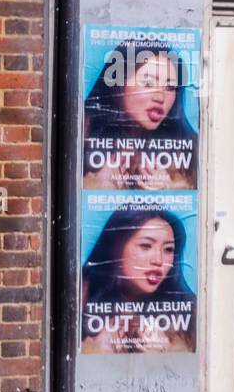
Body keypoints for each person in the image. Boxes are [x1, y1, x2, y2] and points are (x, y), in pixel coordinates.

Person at [83, 39, 197, 190]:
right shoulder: (81, 132)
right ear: (119, 83)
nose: (160, 97)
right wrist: (95, 188)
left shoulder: (187, 145)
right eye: (148, 83)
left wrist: (170, 190)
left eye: (170, 87)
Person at [81, 206, 196, 353]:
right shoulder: (80, 295)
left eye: (168, 249)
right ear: (115, 246)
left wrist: (163, 358)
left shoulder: (188, 308)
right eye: (146, 246)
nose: (158, 260)